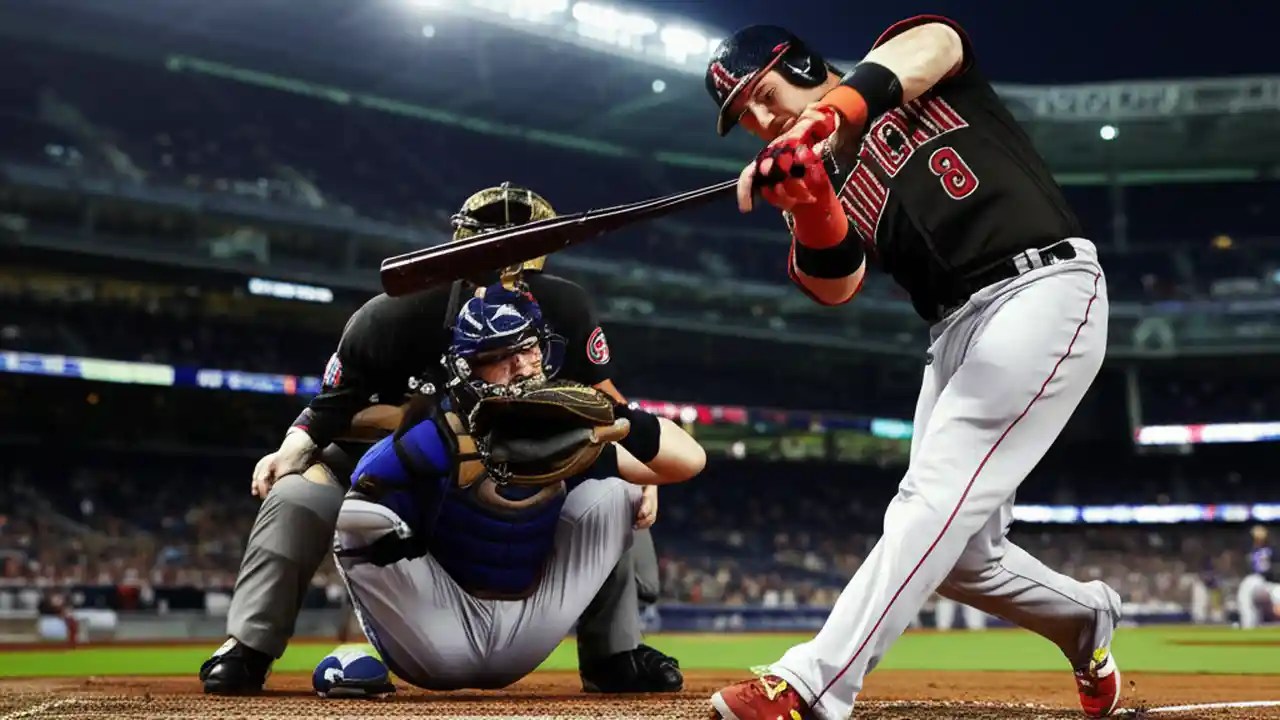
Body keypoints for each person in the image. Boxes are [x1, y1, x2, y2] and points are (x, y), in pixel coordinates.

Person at [702, 17, 1122, 720]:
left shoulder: (904, 67)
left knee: (930, 496)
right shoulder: (809, 169)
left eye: (763, 94)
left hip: (1043, 286)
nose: (761, 118)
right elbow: (835, 284)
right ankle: (1087, 622)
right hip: (955, 328)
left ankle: (815, 682)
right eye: (745, 115)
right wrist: (809, 204)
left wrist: (827, 121)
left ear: (801, 64)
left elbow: (938, 43)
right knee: (962, 556)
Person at [200, 184, 681, 694]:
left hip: (517, 459)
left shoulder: (565, 307)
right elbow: (330, 406)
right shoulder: (392, 315)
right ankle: (248, 646)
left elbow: (605, 401)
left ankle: (614, 653)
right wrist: (291, 448)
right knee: (297, 493)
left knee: (612, 480)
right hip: (395, 465)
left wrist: (640, 465)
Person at [325, 284, 705, 691]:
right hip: (439, 634)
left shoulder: (570, 431)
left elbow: (690, 460)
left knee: (616, 493)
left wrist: (615, 414)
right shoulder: (439, 434)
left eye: (527, 349)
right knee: (359, 517)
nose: (522, 366)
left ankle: (612, 656)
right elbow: (358, 506)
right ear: (467, 369)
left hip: (530, 630)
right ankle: (350, 657)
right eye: (500, 357)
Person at [1238, 525, 1279, 629]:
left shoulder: (1272, 550)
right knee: (1246, 595)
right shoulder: (1252, 550)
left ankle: (1249, 625)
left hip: (1270, 584)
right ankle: (1249, 626)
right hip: (1258, 582)